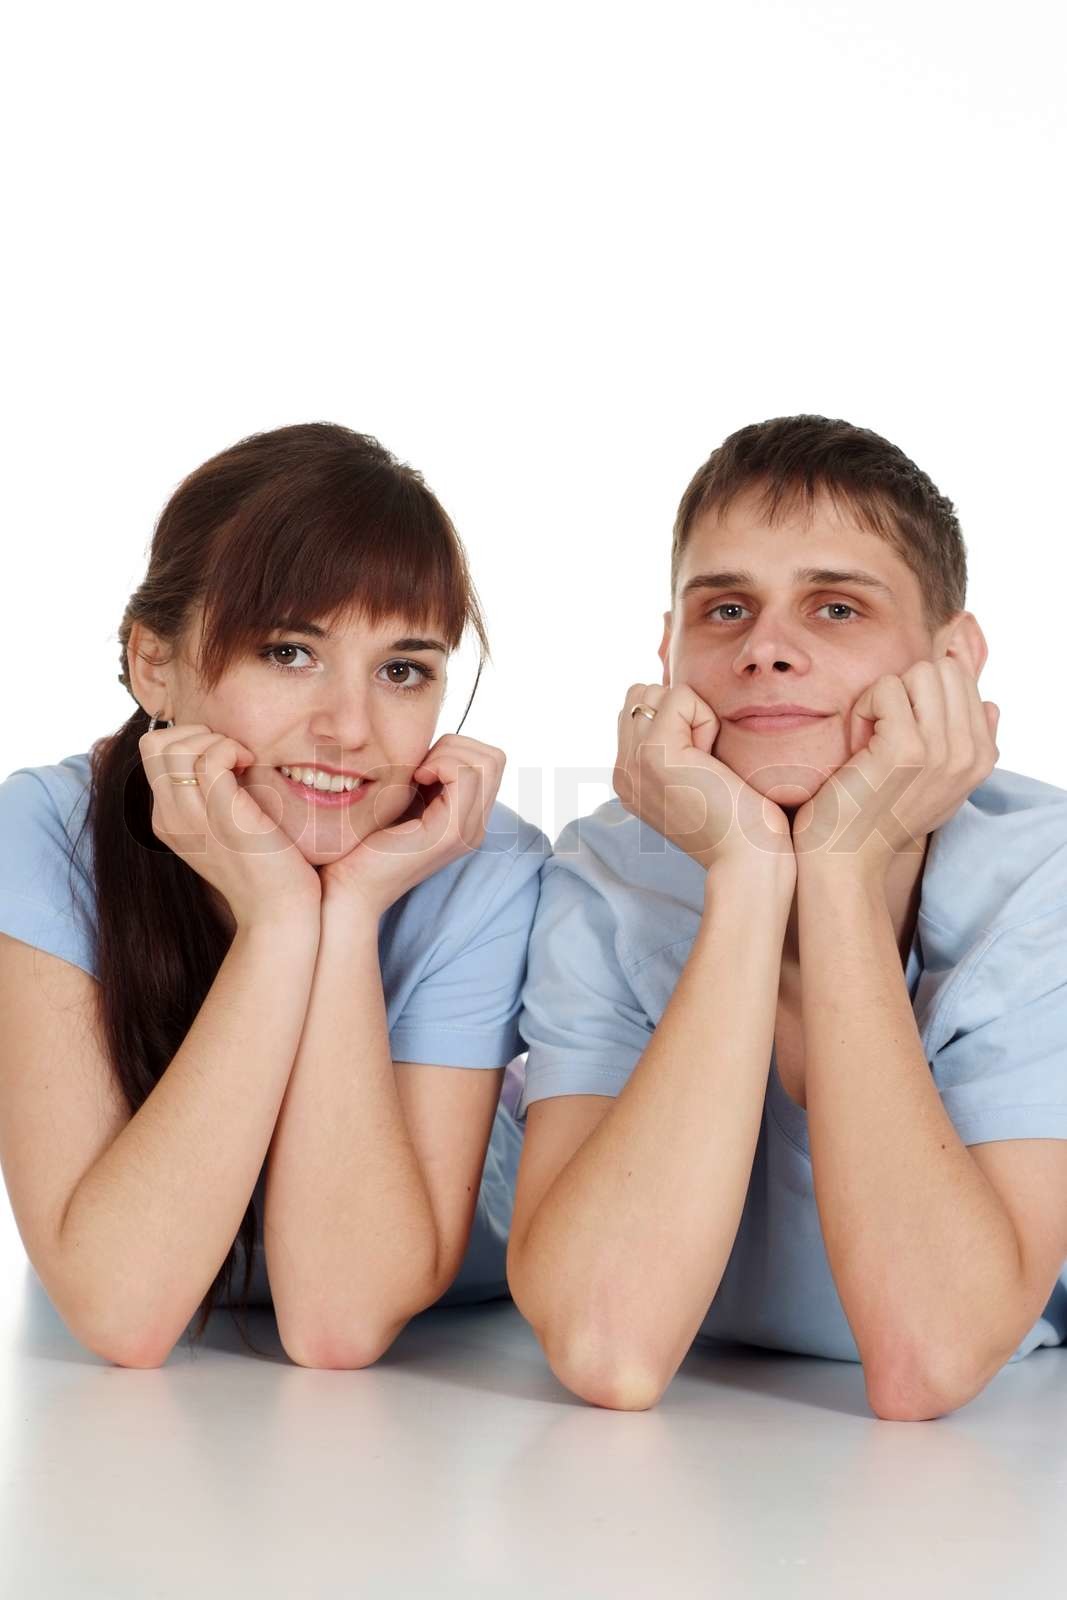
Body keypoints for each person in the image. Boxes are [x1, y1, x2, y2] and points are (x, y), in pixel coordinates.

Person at [507, 413, 1067, 1421]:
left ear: (951, 657)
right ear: (668, 653)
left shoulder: (1043, 879)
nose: (765, 649)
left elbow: (928, 1359)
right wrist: (747, 873)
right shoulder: (603, 872)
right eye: (723, 609)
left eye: (836, 609)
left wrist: (842, 872)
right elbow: (608, 1345)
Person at [0, 422, 546, 1369]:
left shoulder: (478, 865)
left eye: (403, 670)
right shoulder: (48, 832)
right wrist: (279, 919)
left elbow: (338, 1322)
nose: (348, 728)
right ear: (153, 665)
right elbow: (122, 1309)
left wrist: (350, 912)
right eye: (288, 653)